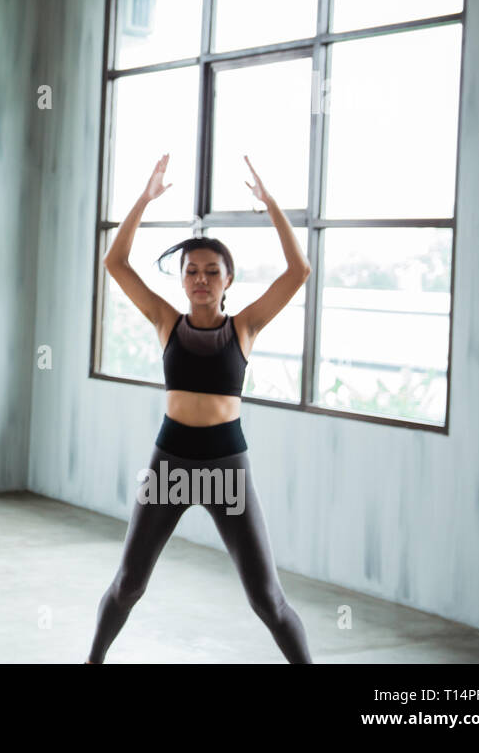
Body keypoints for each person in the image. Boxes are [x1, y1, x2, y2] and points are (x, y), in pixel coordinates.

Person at [86, 153, 313, 663]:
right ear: (183, 279)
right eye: (193, 271)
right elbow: (115, 264)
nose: (202, 279)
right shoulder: (167, 321)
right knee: (127, 585)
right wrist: (143, 199)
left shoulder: (245, 328)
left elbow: (299, 270)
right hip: (169, 463)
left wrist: (273, 204)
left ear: (228, 279)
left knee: (267, 600)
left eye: (213, 271)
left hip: (226, 467)